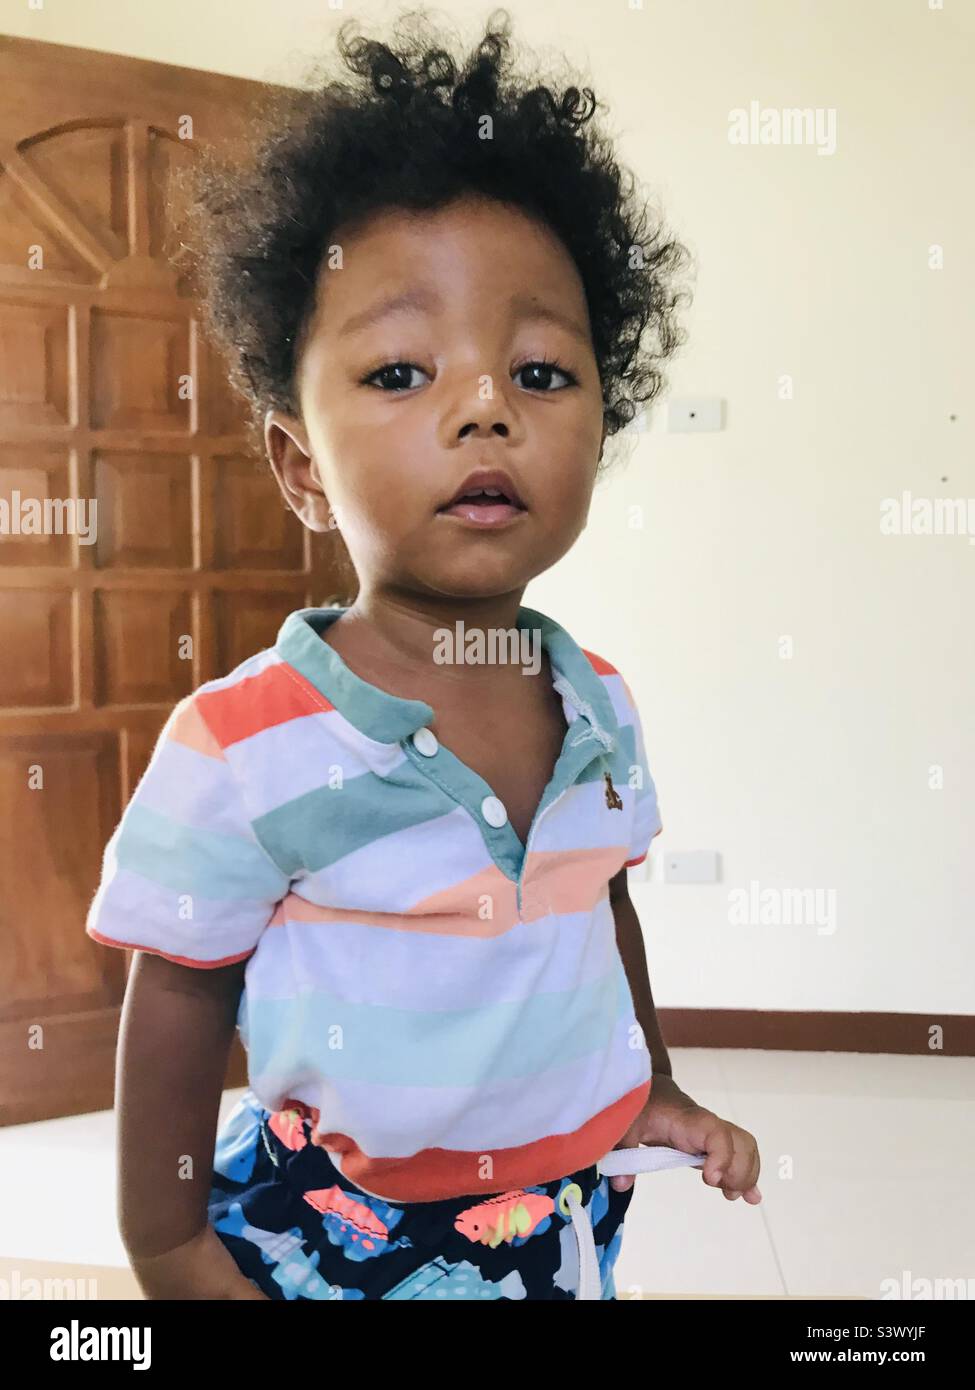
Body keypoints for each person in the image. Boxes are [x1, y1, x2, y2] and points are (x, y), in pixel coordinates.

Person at [86, 6, 761, 1301]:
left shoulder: (601, 701)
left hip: (560, 1210)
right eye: (400, 370)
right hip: (337, 1233)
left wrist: (650, 1085)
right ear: (300, 465)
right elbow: (175, 999)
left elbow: (600, 905)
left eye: (542, 372)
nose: (484, 404)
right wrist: (169, 1247)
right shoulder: (244, 745)